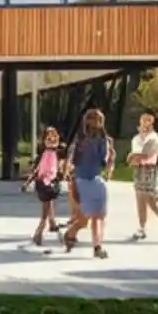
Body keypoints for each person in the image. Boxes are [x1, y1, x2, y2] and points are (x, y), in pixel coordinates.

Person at [62, 108, 115, 258]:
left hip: (96, 180)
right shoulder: (80, 140)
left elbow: (106, 161)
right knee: (85, 219)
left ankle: (97, 246)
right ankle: (71, 233)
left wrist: (109, 165)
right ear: (87, 121)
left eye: (98, 119)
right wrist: (68, 173)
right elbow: (71, 158)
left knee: (99, 216)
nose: (95, 122)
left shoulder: (104, 140)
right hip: (82, 181)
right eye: (92, 118)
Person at [127, 110, 158, 242]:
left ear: (153, 123)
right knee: (140, 200)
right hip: (139, 170)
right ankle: (141, 228)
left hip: (149, 171)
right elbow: (135, 156)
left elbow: (145, 154)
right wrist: (133, 157)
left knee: (151, 201)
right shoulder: (137, 138)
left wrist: (133, 156)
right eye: (143, 120)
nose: (145, 123)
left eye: (148, 120)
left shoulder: (154, 138)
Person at [24, 125, 66, 246]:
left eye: (54, 136)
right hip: (46, 185)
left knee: (48, 205)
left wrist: (28, 182)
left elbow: (37, 170)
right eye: (49, 137)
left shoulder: (48, 154)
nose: (52, 139)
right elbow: (45, 171)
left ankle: (51, 223)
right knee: (45, 212)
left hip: (44, 185)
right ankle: (38, 233)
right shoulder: (50, 154)